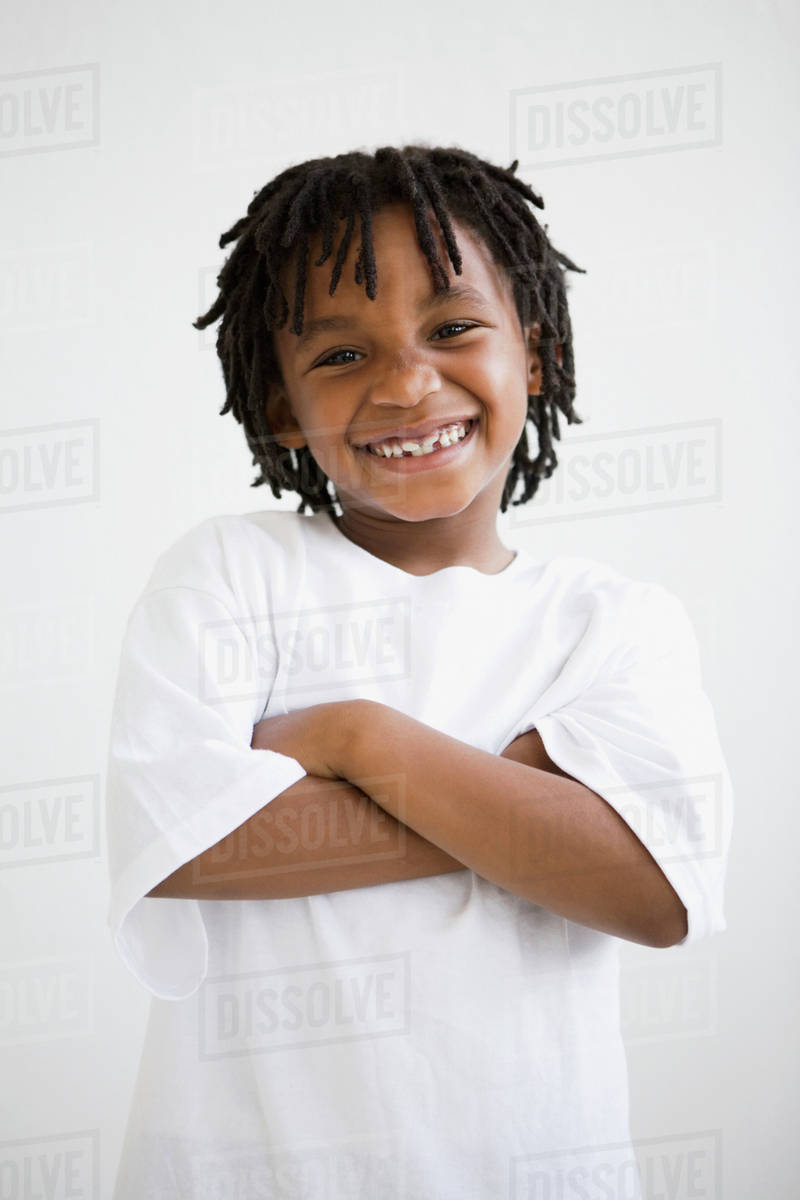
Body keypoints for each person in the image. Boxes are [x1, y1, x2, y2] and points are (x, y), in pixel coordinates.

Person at [105, 144, 733, 1198]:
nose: (405, 383)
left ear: (532, 354)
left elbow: (652, 889)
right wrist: (525, 801)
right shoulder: (227, 574)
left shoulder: (612, 623)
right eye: (340, 354)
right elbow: (186, 844)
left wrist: (359, 738)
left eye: (450, 329)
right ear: (277, 397)